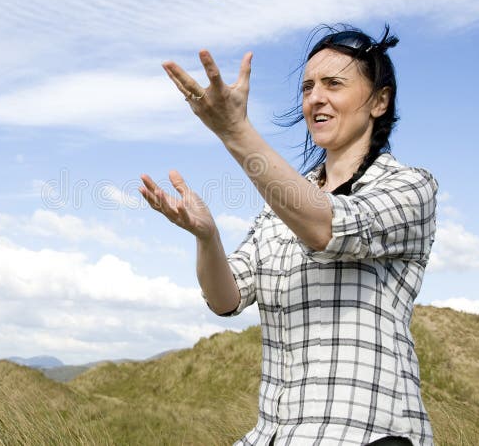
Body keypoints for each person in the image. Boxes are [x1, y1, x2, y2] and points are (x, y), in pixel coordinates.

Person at [138, 25, 437, 446]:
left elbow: (325, 227)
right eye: (308, 87)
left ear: (380, 101)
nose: (316, 97)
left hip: (367, 434)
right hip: (274, 435)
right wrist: (207, 238)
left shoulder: (410, 188)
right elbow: (226, 299)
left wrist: (233, 130)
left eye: (334, 83)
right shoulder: (280, 207)